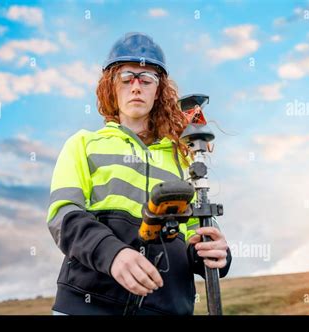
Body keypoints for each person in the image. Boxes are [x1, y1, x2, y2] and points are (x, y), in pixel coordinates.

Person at [47, 32, 232, 315]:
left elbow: (196, 234)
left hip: (165, 309)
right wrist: (113, 253)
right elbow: (64, 217)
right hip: (87, 306)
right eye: (126, 77)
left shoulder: (181, 158)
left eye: (146, 79)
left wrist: (215, 252)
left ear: (158, 91)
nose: (136, 87)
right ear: (111, 87)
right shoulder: (82, 144)